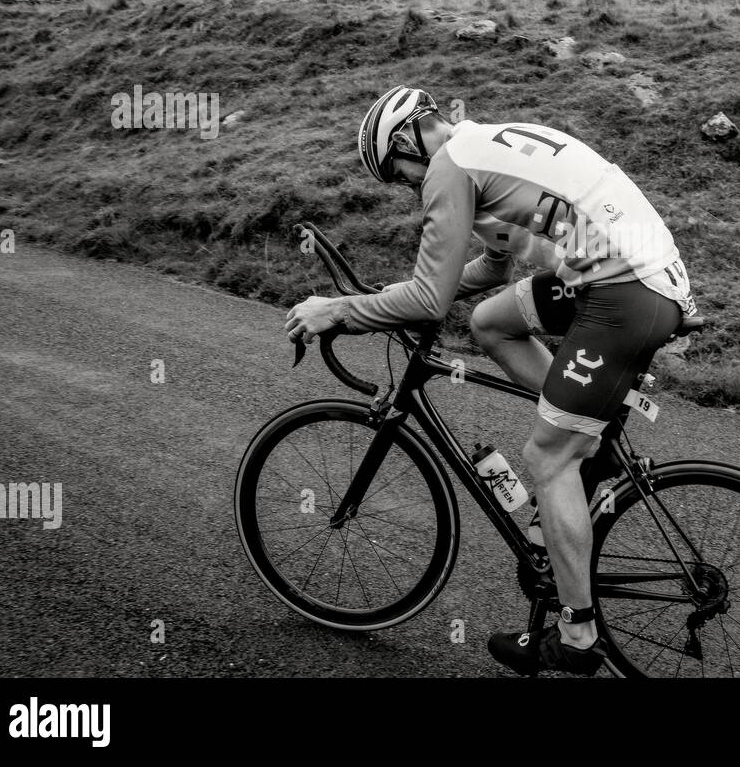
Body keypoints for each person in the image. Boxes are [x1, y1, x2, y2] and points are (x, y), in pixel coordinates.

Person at [285, 85, 697, 676]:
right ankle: (587, 423)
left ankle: (579, 638)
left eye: (398, 173)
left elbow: (428, 299)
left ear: (407, 141)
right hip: (632, 276)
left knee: (547, 458)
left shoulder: (448, 167)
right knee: (491, 322)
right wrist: (390, 298)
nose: (406, 185)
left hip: (625, 292)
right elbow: (487, 272)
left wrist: (341, 309)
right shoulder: (476, 145)